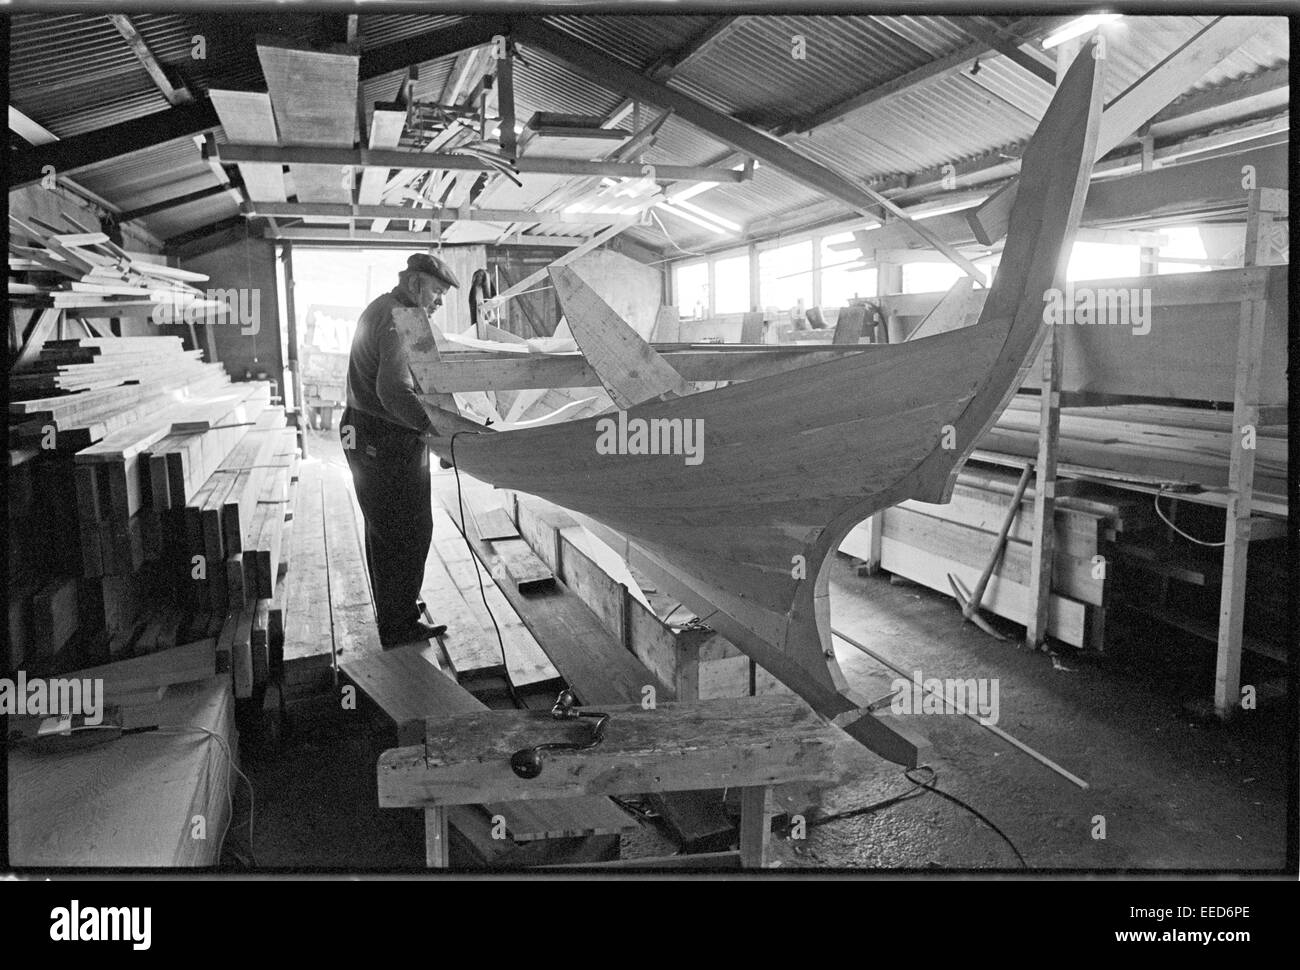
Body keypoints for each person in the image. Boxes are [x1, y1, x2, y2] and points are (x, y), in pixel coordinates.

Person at [340, 253, 459, 647]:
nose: (440, 301)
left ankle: (396, 609)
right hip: (383, 438)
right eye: (437, 291)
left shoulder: (385, 307)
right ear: (414, 285)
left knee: (387, 529)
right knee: (407, 530)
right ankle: (398, 625)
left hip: (368, 430)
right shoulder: (399, 319)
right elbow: (393, 391)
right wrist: (435, 430)